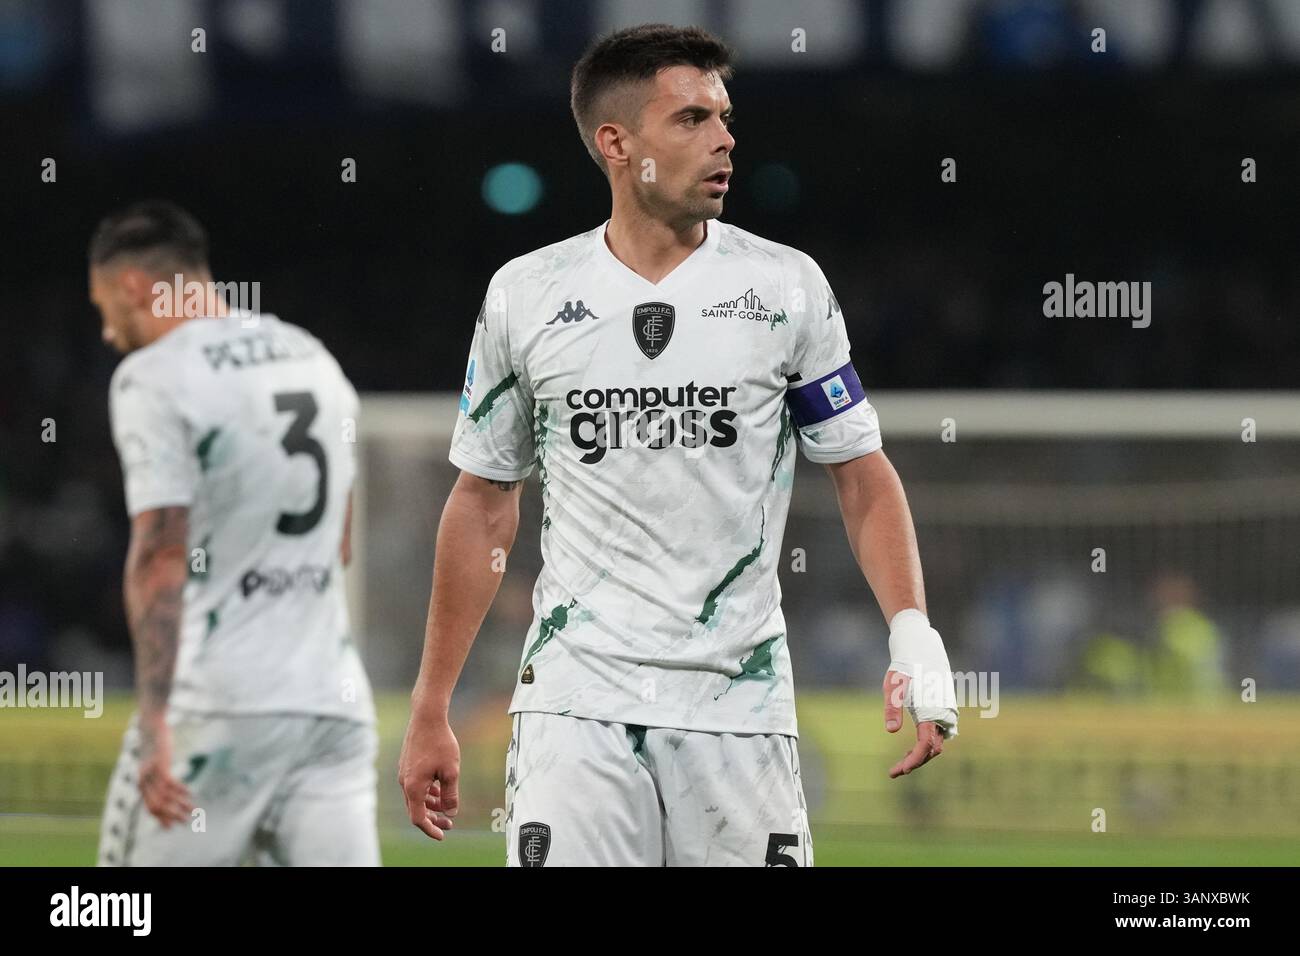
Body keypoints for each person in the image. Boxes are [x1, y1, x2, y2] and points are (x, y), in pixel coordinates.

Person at [399, 23, 959, 867]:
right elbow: (483, 501)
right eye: (692, 119)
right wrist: (432, 703)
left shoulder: (786, 288)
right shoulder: (527, 296)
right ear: (616, 143)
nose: (726, 138)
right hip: (575, 705)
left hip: (738, 705)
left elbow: (860, 472)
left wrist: (913, 630)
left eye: (725, 116)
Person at [90, 200, 377, 865]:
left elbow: (162, 552)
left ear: (134, 285)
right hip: (331, 708)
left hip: (219, 708)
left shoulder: (153, 377)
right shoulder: (311, 355)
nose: (106, 331)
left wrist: (157, 718)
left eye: (104, 305)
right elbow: (341, 542)